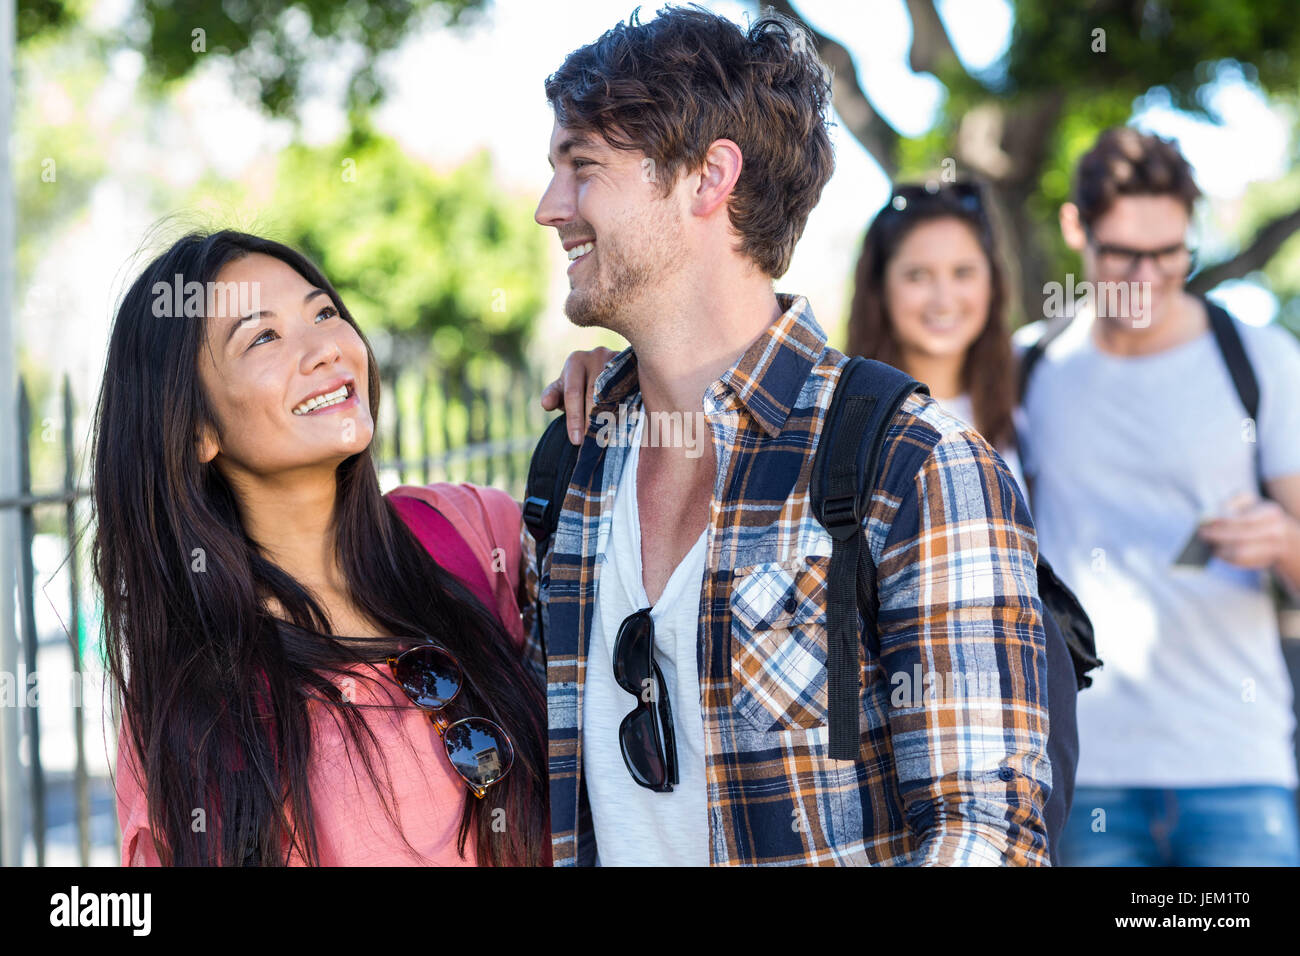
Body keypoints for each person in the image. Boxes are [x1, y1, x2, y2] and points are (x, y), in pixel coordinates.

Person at [527, 6, 1052, 866]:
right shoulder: (573, 461)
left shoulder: (911, 462)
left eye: (581, 166)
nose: (551, 207)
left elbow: (985, 836)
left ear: (708, 177)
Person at [101, 230, 552, 866]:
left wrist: (624, 389)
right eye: (263, 336)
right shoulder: (190, 705)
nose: (325, 349)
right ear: (197, 428)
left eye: (324, 312)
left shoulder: (468, 533)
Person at [1018, 127, 1300, 866]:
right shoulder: (1027, 371)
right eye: (1123, 255)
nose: (1147, 276)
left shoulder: (1262, 361)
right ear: (1077, 229)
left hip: (1238, 768)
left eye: (1170, 254)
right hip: (1083, 777)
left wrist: (1283, 543)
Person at [846, 180, 1025, 493]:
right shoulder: (843, 428)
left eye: (963, 273)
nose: (944, 300)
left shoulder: (1022, 413)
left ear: (992, 283)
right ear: (880, 288)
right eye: (918, 275)